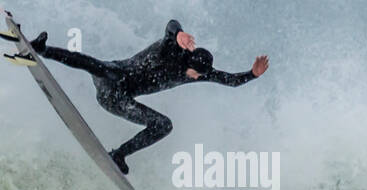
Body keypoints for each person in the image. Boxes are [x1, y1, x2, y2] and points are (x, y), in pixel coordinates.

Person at [28, 19, 269, 174]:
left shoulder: (196, 73)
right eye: (195, 73)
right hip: (111, 78)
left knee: (164, 125)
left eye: (199, 76)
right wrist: (180, 34)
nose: (195, 78)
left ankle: (119, 155)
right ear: (189, 60)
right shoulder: (170, 50)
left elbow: (229, 80)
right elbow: (171, 25)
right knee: (105, 68)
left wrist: (252, 75)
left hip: (118, 101)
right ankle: (43, 50)